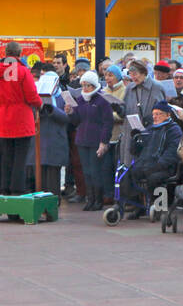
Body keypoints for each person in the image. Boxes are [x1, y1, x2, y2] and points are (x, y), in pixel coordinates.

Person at [0, 41, 41, 195]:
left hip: (3, 117)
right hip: (21, 117)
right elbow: (32, 95)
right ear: (19, 54)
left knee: (6, 156)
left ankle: (4, 189)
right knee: (20, 158)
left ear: (5, 53)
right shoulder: (23, 71)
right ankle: (17, 190)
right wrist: (39, 104)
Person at [123, 103, 182, 218]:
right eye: (154, 114)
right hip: (146, 164)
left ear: (168, 115)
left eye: (159, 114)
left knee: (154, 178)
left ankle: (158, 208)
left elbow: (172, 152)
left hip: (164, 167)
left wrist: (159, 165)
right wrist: (135, 138)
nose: (155, 117)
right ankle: (138, 206)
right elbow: (135, 151)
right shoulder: (150, 129)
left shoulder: (174, 130)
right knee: (129, 175)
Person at [68, 71, 114, 211]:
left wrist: (103, 142)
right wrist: (70, 112)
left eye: (88, 85)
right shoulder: (80, 100)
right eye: (83, 85)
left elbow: (108, 122)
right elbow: (76, 121)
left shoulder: (102, 100)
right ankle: (90, 199)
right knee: (86, 171)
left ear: (94, 86)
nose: (85, 88)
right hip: (82, 140)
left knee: (95, 171)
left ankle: (98, 200)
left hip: (96, 140)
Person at [25, 72, 70, 196]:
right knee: (38, 176)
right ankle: (40, 204)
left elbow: (68, 118)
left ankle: (53, 205)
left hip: (56, 142)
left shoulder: (63, 97)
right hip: (38, 142)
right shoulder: (35, 97)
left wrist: (51, 109)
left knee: (52, 178)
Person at [119, 60, 168, 172]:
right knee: (128, 168)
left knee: (144, 168)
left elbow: (163, 112)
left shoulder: (156, 87)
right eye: (131, 74)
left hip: (149, 134)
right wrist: (118, 109)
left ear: (144, 73)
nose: (133, 77)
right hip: (130, 134)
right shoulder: (130, 88)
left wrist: (152, 118)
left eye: (135, 74)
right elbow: (124, 112)